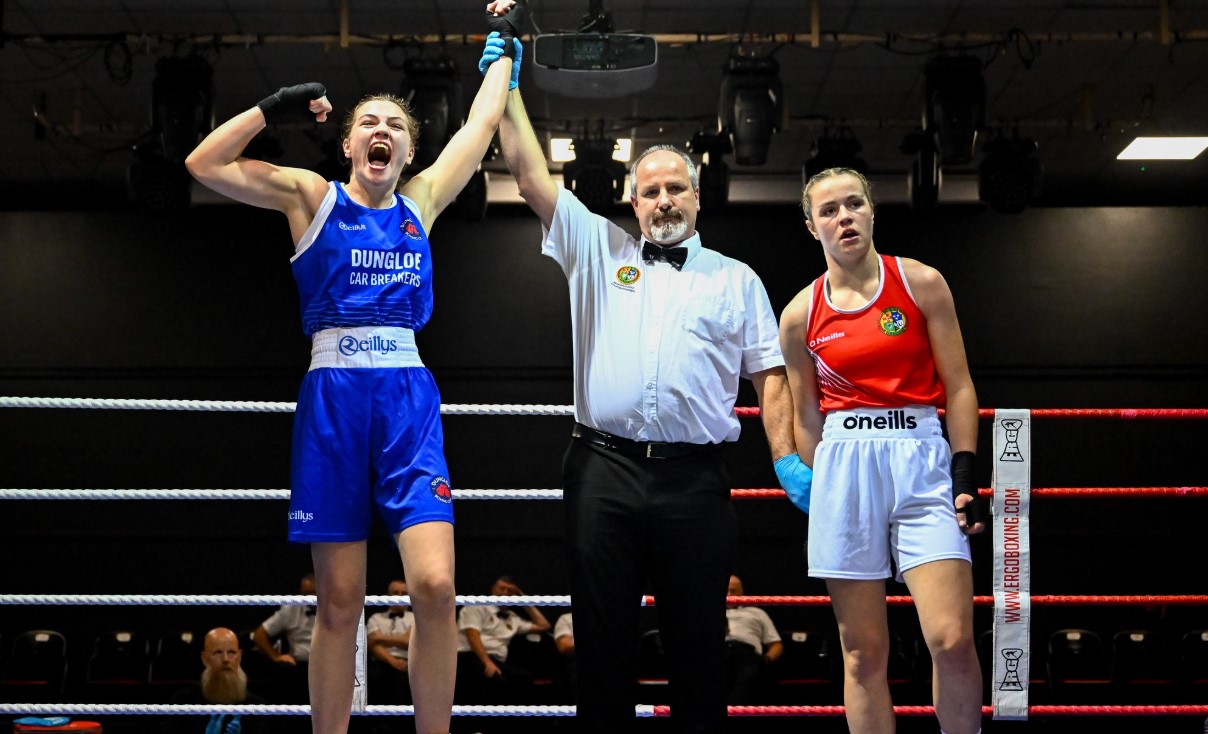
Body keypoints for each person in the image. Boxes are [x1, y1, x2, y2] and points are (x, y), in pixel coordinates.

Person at [184, 4, 521, 731]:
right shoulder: (312, 196)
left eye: (396, 126)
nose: (383, 132)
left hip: (406, 398)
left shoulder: (421, 203)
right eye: (369, 123)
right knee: (339, 601)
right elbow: (202, 164)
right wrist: (269, 109)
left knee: (434, 586)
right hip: (332, 400)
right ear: (347, 144)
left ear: (407, 150)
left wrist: (504, 49)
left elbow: (479, 129)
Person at [492, 12, 807, 728]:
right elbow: (527, 172)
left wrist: (787, 460)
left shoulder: (736, 279)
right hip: (603, 470)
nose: (663, 199)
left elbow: (772, 378)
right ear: (633, 202)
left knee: (700, 643)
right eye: (651, 190)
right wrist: (507, 83)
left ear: (697, 198)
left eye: (677, 188)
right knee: (600, 645)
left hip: (695, 478)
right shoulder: (596, 248)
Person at [778, 167, 986, 734]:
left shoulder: (921, 282)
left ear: (872, 211)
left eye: (854, 204)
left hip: (921, 457)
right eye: (829, 210)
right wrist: (821, 486)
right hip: (846, 465)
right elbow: (805, 415)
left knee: (952, 637)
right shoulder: (799, 316)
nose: (844, 216)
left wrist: (965, 470)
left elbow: (961, 385)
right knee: (862, 653)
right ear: (811, 225)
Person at [454, 575, 551, 704]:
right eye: (502, 589)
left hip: (497, 661)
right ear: (493, 589)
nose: (505, 593)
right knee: (498, 685)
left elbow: (544, 625)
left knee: (525, 680)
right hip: (469, 657)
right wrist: (487, 662)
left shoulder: (513, 619)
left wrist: (523, 598)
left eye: (510, 591)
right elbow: (473, 636)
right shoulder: (476, 607)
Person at [169, 627, 269, 734]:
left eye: (231, 652)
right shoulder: (184, 702)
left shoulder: (256, 706)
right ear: (205, 659)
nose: (225, 659)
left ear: (239, 657)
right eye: (218, 652)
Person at [251, 574, 316, 704]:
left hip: (330, 665)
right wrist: (276, 656)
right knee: (283, 671)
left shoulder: (338, 608)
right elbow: (259, 635)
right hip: (300, 665)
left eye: (312, 594)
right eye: (304, 594)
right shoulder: (291, 608)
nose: (307, 598)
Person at [724, 575, 782, 705]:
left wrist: (765, 660)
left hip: (747, 656)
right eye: (725, 590)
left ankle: (730, 715)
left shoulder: (756, 612)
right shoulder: (710, 613)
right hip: (718, 653)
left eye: (733, 591)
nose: (729, 594)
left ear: (742, 592)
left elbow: (776, 645)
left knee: (751, 675)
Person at [365, 579, 414, 707]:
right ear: (388, 596)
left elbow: (408, 641)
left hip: (408, 664)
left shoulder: (415, 617)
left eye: (403, 593)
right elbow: (372, 645)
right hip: (381, 664)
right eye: (395, 592)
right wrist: (394, 662)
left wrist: (379, 637)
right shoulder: (376, 618)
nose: (399, 596)